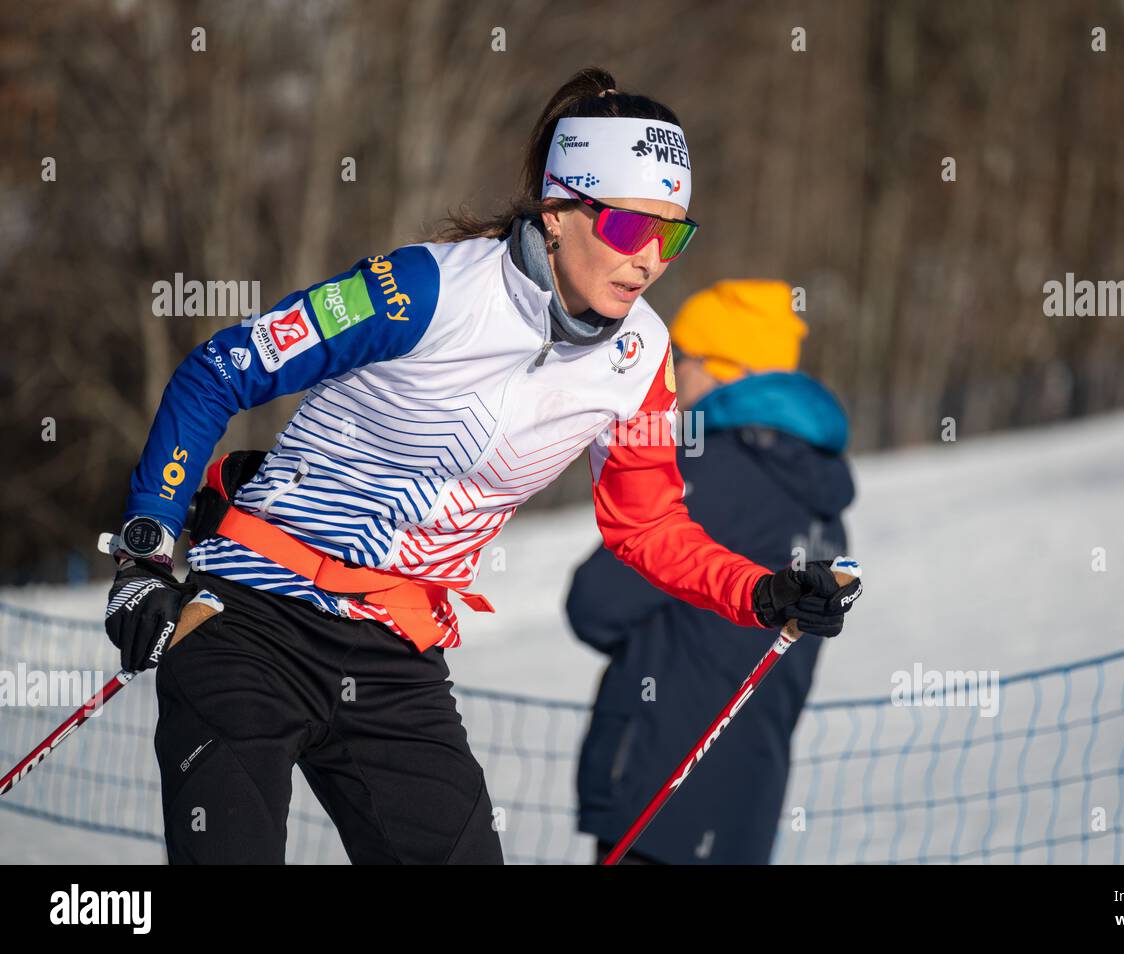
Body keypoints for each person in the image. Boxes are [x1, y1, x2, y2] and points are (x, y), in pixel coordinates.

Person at [102, 67, 863, 865]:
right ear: (561, 210)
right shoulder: (425, 290)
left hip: (394, 649)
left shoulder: (641, 357)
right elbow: (222, 369)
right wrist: (147, 553)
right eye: (632, 228)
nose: (650, 261)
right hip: (252, 617)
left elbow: (647, 524)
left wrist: (759, 590)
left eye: (673, 235)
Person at [567, 280, 856, 864]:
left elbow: (595, 605)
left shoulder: (710, 467)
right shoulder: (820, 493)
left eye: (683, 360)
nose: (672, 377)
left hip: (659, 790)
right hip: (747, 807)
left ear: (724, 369)